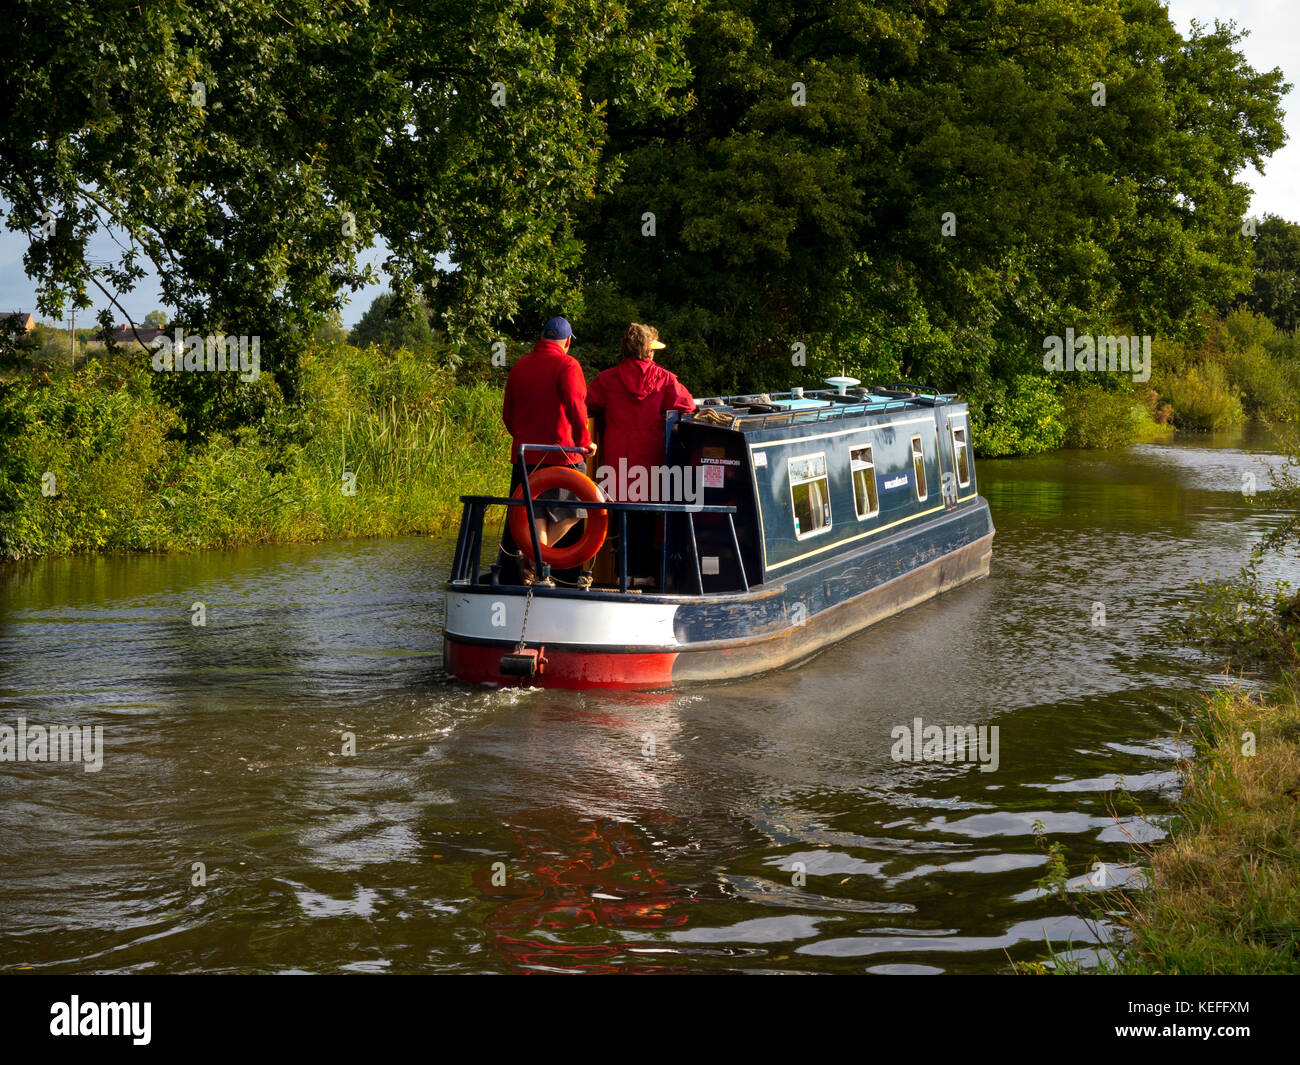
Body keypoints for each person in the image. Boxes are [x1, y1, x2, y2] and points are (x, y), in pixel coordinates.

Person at [587, 323, 695, 580]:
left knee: (620, 517)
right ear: (648, 352)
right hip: (650, 461)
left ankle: (620, 573)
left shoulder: (607, 379)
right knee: (648, 517)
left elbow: (587, 405)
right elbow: (688, 406)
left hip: (616, 462)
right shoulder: (666, 379)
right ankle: (644, 574)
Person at [501, 316, 597, 580]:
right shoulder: (567, 364)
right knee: (582, 509)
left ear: (542, 337)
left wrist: (523, 438)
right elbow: (576, 405)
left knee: (538, 515)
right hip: (562, 456)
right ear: (567, 341)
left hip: (525, 459)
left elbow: (507, 415)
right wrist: (584, 441)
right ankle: (534, 560)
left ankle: (535, 574)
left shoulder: (519, 366)